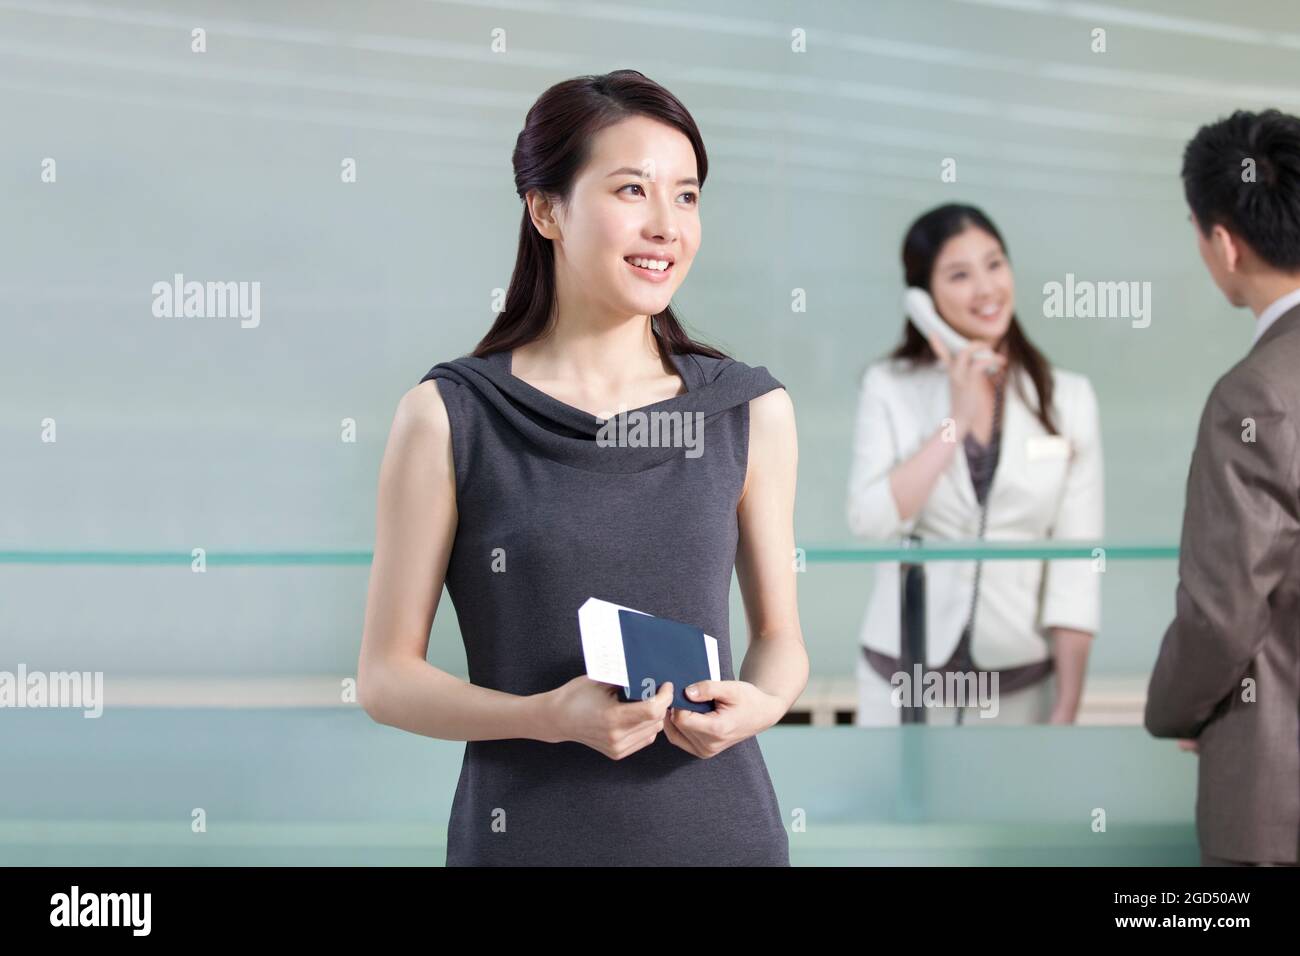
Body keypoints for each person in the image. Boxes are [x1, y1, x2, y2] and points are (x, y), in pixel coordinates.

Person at [356, 70, 807, 866]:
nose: (667, 225)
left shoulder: (748, 411)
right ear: (546, 210)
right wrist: (548, 716)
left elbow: (780, 640)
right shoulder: (450, 416)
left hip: (725, 839)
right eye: (632, 190)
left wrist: (759, 706)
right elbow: (386, 679)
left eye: (688, 196)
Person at [847, 204, 1104, 726]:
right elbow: (870, 521)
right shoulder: (889, 386)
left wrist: (1068, 703)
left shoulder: (1069, 399)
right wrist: (955, 423)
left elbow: (1076, 563)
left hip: (1019, 682)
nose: (986, 289)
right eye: (959, 275)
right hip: (904, 681)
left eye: (994, 265)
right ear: (923, 297)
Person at [1145, 108, 1300, 867]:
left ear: (1224, 243)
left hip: (1279, 794)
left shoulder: (1256, 394)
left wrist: (1181, 706)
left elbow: (1221, 616)